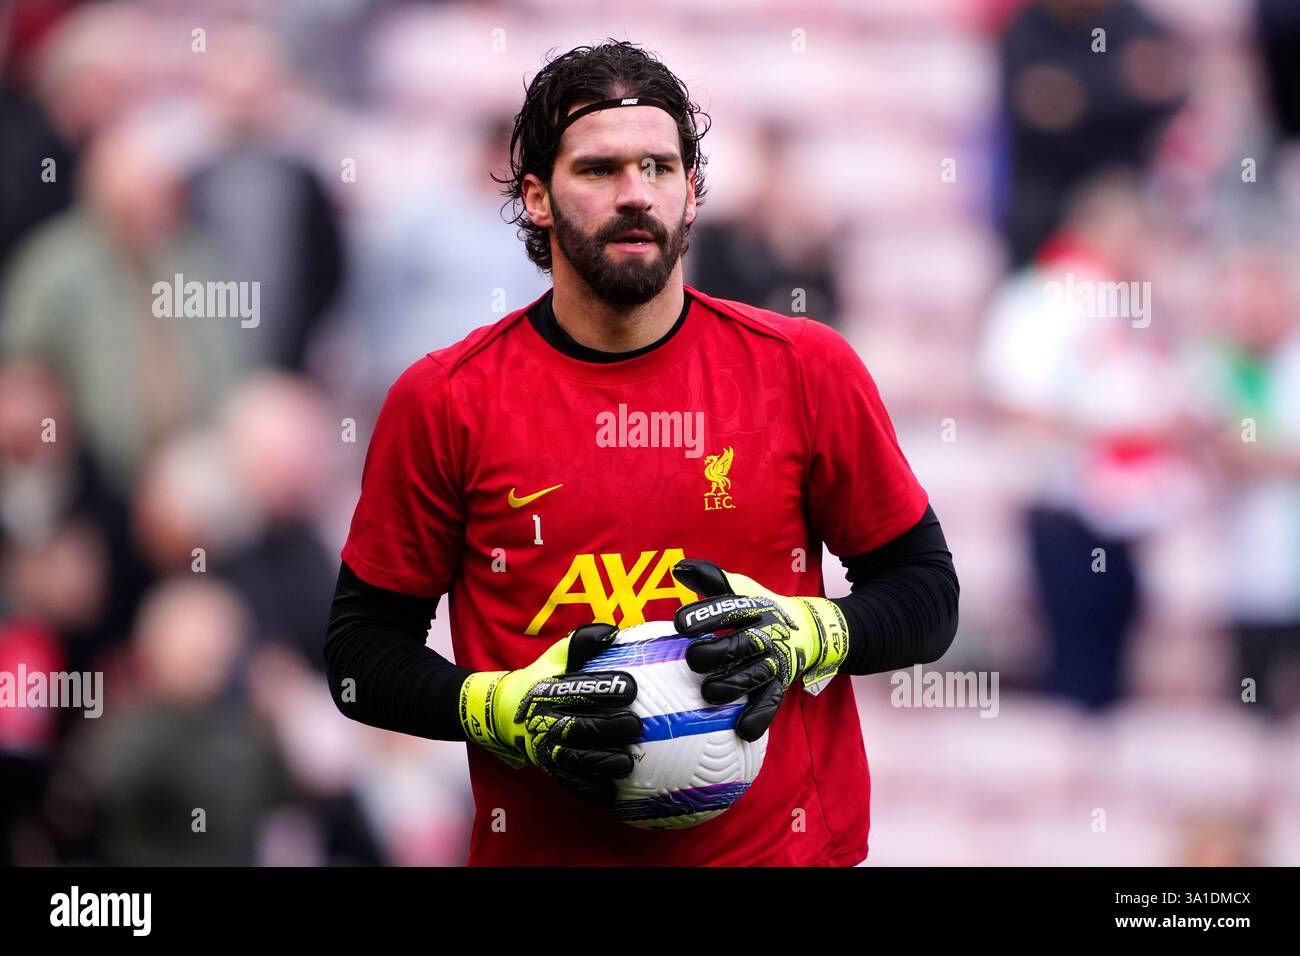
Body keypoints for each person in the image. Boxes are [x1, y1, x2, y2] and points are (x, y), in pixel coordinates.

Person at [324, 40, 958, 866]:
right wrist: (498, 709)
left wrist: (809, 633)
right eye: (598, 170)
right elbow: (358, 655)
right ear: (536, 197)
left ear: (692, 193)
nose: (635, 194)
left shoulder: (804, 369)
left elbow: (927, 592)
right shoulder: (446, 399)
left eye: (659, 167)